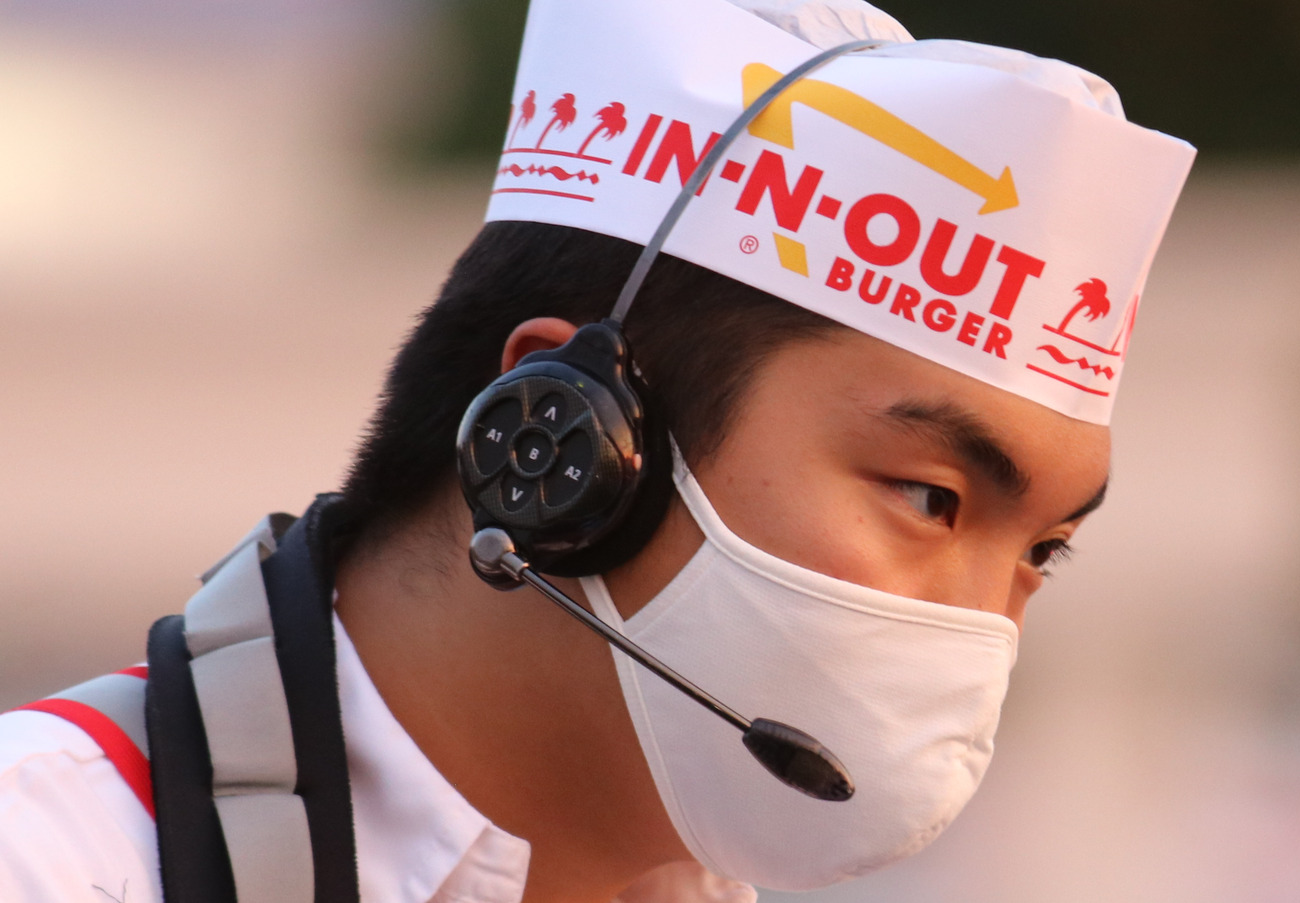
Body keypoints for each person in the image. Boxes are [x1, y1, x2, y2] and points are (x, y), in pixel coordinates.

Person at [0, 0, 1194, 901]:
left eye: (1041, 551)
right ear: (562, 436)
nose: (982, 627)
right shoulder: (54, 856)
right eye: (931, 500)